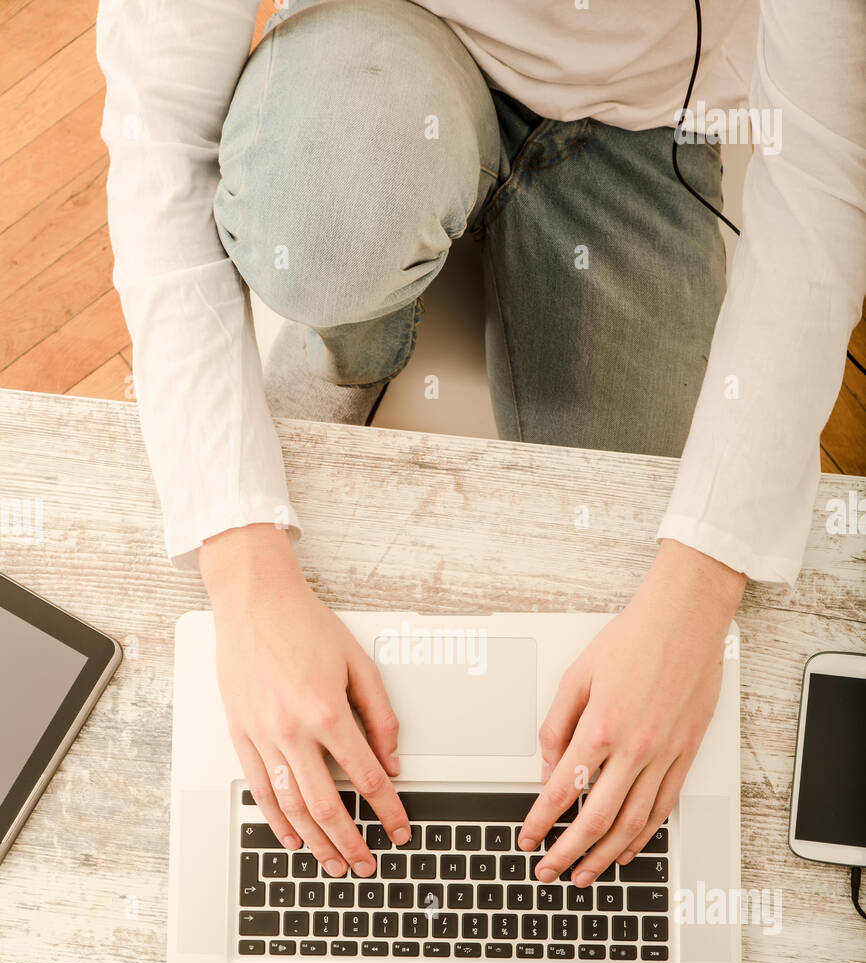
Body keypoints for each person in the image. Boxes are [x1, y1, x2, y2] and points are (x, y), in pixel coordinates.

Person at [96, 1, 865, 887]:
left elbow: (823, 186)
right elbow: (157, 131)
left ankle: (398, 258)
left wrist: (696, 600)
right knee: (324, 221)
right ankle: (360, 309)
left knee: (625, 550)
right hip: (380, 56)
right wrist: (240, 574)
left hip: (642, 123)